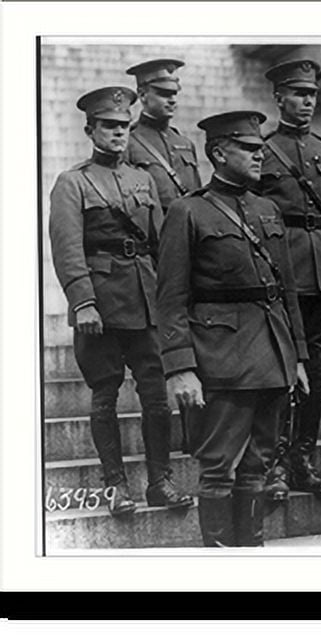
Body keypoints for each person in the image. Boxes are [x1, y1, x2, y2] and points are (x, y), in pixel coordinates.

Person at [156, 110, 309, 547]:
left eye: (260, 146)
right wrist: (179, 367)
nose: (260, 153)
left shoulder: (268, 209)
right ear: (219, 153)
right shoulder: (188, 212)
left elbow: (287, 289)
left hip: (272, 354)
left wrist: (296, 356)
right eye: (248, 147)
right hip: (220, 356)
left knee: (258, 464)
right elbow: (170, 298)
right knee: (219, 467)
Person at [48, 86, 192, 517]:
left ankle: (159, 483)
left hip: (145, 299)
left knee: (155, 395)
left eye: (124, 126)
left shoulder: (142, 179)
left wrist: (168, 300)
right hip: (102, 307)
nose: (118, 134)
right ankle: (115, 487)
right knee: (104, 395)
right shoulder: (72, 182)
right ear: (90, 129)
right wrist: (83, 302)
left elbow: (160, 242)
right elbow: (67, 247)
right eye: (108, 126)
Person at [257, 58, 321, 497]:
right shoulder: (264, 149)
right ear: (279, 98)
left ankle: (303, 459)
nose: (306, 102)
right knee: (281, 371)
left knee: (318, 368)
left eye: (311, 95)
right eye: (298, 94)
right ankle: (273, 464)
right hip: (282, 271)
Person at [125, 58, 202, 212]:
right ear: (142, 95)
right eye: (164, 94)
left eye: (174, 94)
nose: (172, 100)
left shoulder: (185, 143)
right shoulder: (129, 142)